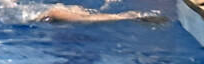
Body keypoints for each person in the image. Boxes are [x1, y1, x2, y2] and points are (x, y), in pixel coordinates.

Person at [31, 3, 166, 22]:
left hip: (45, 10)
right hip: (45, 13)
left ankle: (130, 17)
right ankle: (128, 17)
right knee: (85, 18)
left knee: (78, 11)